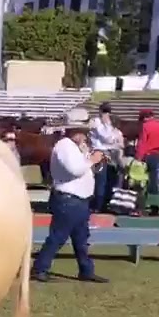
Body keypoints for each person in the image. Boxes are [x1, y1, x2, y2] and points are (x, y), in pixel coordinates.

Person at [30, 109, 109, 284]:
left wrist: (92, 159)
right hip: (68, 199)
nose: (86, 135)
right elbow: (74, 169)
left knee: (81, 239)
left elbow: (84, 168)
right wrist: (92, 160)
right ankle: (40, 268)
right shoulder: (65, 146)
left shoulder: (75, 147)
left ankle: (86, 270)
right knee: (58, 236)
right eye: (83, 132)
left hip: (79, 200)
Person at [88, 102, 123, 211]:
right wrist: (108, 126)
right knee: (100, 180)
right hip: (100, 153)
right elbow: (107, 138)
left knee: (111, 179)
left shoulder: (110, 123)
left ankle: (106, 203)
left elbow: (118, 138)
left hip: (111, 154)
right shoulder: (96, 122)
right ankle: (97, 205)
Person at [135, 108, 159, 195]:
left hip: (146, 155)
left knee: (140, 178)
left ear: (144, 118)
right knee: (153, 178)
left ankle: (140, 199)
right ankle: (153, 198)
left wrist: (138, 157)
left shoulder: (145, 126)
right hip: (156, 154)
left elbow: (142, 143)